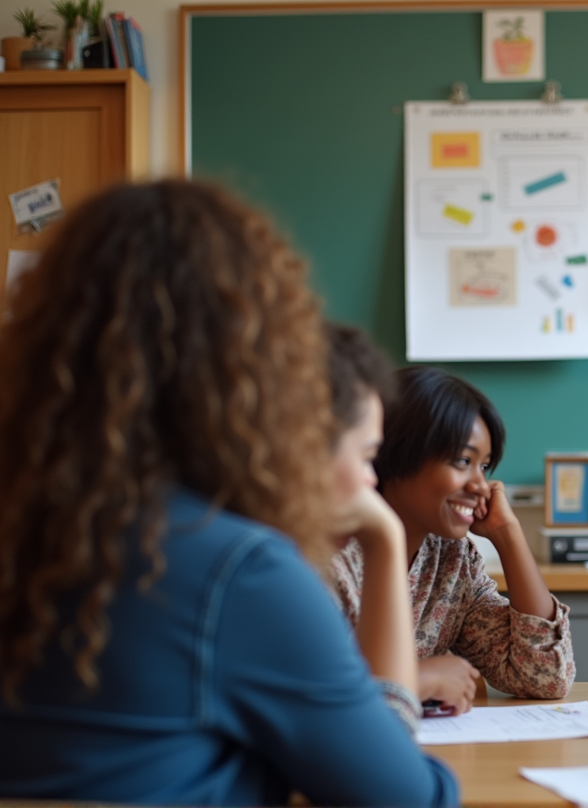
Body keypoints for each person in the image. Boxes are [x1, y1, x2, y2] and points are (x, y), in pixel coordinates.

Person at [0, 181, 457, 806]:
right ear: (257, 372)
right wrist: (381, 540)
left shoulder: (31, 530)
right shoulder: (234, 571)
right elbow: (403, 799)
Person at [334, 367, 575, 712]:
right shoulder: (329, 553)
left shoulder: (452, 559)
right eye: (463, 460)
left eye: (485, 466)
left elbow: (544, 678)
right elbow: (308, 695)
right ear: (400, 451)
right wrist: (418, 679)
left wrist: (507, 535)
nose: (480, 485)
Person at [324, 322, 421, 731]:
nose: (371, 481)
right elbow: (393, 771)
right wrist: (386, 537)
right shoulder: (264, 574)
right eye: (367, 458)